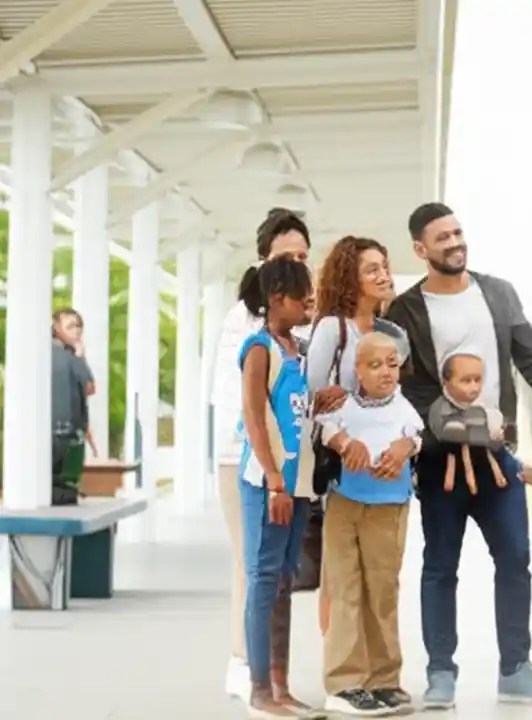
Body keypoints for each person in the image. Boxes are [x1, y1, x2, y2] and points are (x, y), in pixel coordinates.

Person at [384, 202, 532, 709]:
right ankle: (441, 673)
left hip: (499, 460)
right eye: (441, 238)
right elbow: (407, 389)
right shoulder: (404, 311)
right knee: (440, 566)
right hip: (440, 461)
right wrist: (456, 428)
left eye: (458, 232)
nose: (454, 242)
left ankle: (515, 668)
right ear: (421, 250)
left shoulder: (498, 294)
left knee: (515, 559)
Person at [211, 208, 312, 703]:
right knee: (253, 567)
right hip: (246, 462)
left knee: (279, 574)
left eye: (303, 256)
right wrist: (270, 471)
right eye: (287, 256)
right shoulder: (246, 325)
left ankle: (276, 676)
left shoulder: (297, 331)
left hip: (289, 466)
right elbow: (245, 405)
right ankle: (245, 666)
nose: (298, 265)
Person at [313, 332, 421, 717]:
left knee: (383, 592)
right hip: (345, 504)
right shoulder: (344, 405)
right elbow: (326, 427)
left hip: (389, 508)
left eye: (391, 364)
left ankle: (385, 679)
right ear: (357, 370)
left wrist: (403, 448)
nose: (385, 372)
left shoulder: (404, 408)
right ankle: (344, 683)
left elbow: (415, 436)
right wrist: (344, 442)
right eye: (374, 365)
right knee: (345, 590)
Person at [237, 255, 321, 719]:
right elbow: (254, 415)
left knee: (285, 581)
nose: (309, 300)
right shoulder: (259, 348)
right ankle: (259, 689)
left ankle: (282, 685)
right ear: (275, 300)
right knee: (264, 579)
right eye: (301, 293)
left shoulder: (300, 349)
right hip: (269, 484)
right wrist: (273, 481)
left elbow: (299, 410)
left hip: (300, 484)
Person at [426, 351, 531, 494]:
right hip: (450, 473)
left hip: (484, 471)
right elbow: (451, 435)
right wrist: (488, 437)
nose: (474, 387)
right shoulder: (440, 407)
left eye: (478, 380)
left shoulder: (481, 408)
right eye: (466, 381)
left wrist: (498, 437)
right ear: (446, 381)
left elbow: (494, 438)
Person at [51, 308, 96, 505]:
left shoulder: (57, 354)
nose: (76, 331)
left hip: (59, 432)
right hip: (64, 437)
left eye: (79, 326)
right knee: (64, 488)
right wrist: (80, 356)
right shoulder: (69, 357)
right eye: (70, 326)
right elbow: (89, 387)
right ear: (56, 328)